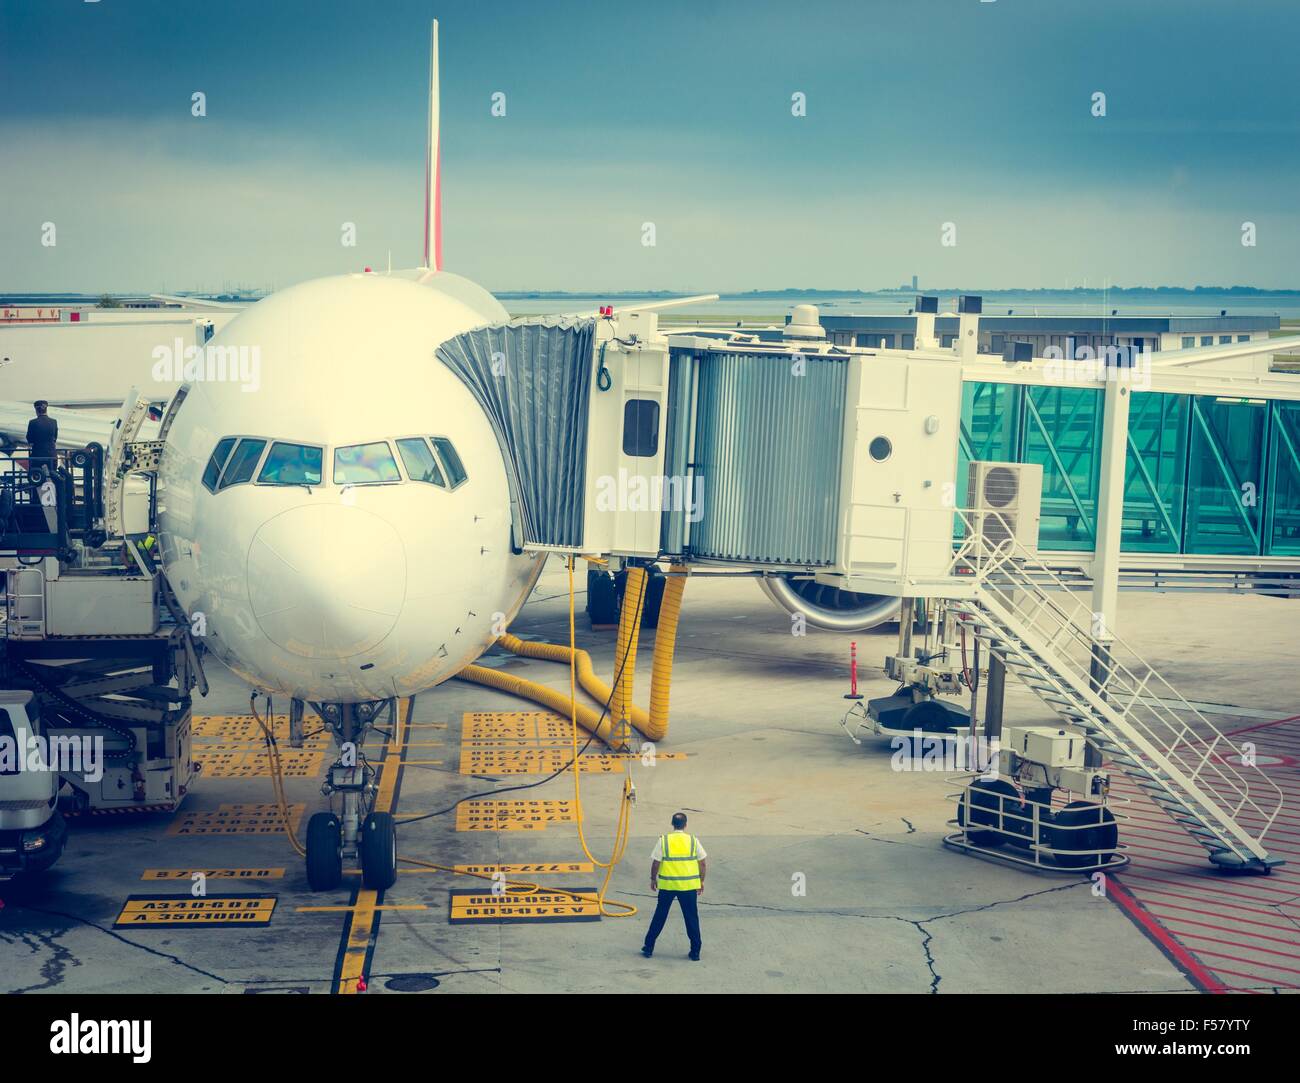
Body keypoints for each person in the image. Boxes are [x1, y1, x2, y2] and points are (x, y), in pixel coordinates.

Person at [641, 812, 706, 960]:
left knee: (660, 916)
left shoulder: (663, 841)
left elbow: (656, 862)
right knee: (691, 918)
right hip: (688, 887)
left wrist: (653, 879)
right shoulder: (693, 840)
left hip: (667, 886)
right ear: (685, 825)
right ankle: (695, 952)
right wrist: (701, 881)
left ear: (672, 824)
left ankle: (649, 947)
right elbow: (702, 862)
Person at [26, 401, 57, 470]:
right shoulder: (54, 422)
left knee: (36, 476)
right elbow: (55, 438)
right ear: (46, 409)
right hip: (51, 454)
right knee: (53, 475)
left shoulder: (33, 422)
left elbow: (29, 438)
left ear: (36, 410)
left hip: (37, 455)